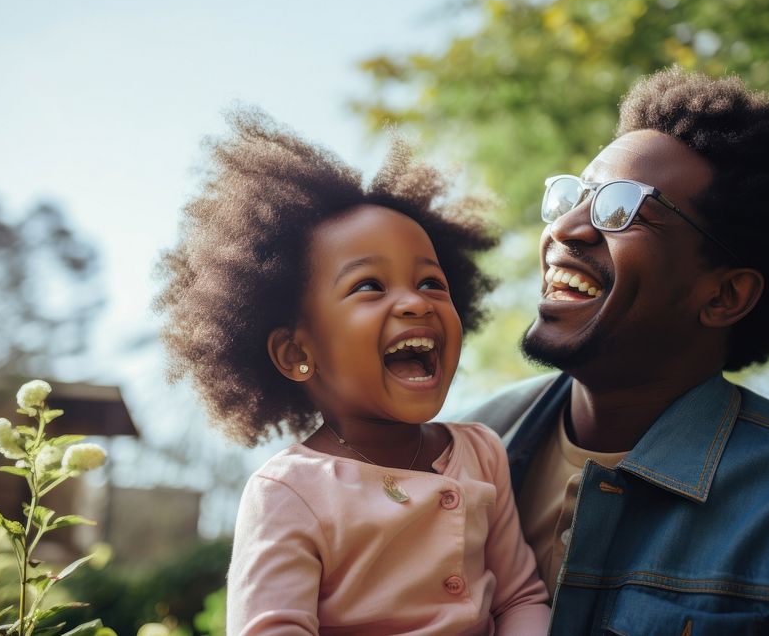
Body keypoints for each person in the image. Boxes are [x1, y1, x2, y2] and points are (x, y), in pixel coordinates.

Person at [466, 67, 769, 634]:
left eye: (623, 209)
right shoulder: (444, 451)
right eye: (574, 196)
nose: (566, 227)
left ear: (724, 295)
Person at [155, 110, 550, 635]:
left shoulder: (480, 453)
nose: (415, 302)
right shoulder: (289, 491)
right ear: (296, 352)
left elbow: (521, 597)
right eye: (369, 287)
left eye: (432, 282)